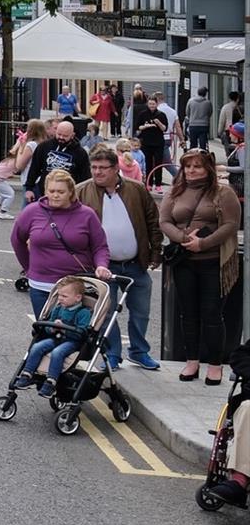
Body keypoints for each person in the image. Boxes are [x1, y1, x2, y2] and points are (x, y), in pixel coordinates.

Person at [76, 145, 162, 372]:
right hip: (102, 266)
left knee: (141, 311)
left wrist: (155, 252)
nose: (97, 172)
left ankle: (139, 352)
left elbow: (153, 220)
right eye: (94, 167)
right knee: (106, 312)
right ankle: (112, 354)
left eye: (103, 168)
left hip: (135, 264)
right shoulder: (82, 191)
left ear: (116, 169)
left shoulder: (136, 190)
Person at [159, 150, 240, 386]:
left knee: (212, 315)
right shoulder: (175, 191)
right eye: (188, 167)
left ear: (209, 169)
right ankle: (191, 361)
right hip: (184, 261)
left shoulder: (224, 193)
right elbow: (164, 221)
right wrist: (184, 240)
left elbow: (231, 225)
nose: (192, 171)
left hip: (214, 262)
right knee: (188, 315)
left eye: (198, 166)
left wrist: (203, 243)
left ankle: (215, 365)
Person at [11, 170, 112, 319]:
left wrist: (102, 265)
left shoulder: (87, 215)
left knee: (75, 333)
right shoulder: (32, 211)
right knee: (46, 330)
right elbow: (17, 240)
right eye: (51, 191)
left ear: (71, 192)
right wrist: (28, 267)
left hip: (76, 285)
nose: (55, 195)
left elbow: (99, 246)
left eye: (61, 191)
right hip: (41, 284)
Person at [13, 277, 95, 396]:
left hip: (72, 341)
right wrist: (52, 328)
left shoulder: (84, 313)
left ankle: (51, 382)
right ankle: (27, 374)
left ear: (78, 297)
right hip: (56, 337)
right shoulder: (58, 308)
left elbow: (81, 333)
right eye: (60, 295)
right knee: (37, 347)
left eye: (64, 296)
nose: (60, 298)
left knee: (57, 352)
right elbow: (48, 327)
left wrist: (64, 329)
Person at [25, 118, 91, 202]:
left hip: (68, 197)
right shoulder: (44, 146)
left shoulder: (80, 153)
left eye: (65, 136)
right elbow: (34, 168)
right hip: (44, 193)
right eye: (59, 134)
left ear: (72, 135)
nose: (61, 137)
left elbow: (85, 177)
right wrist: (29, 188)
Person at [134, 101, 170, 187]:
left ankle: (158, 184)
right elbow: (138, 126)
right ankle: (149, 183)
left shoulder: (161, 114)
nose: (151, 106)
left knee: (158, 164)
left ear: (156, 104)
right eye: (150, 104)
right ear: (147, 104)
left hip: (158, 142)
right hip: (146, 142)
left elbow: (164, 129)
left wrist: (158, 123)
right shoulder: (143, 114)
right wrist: (145, 126)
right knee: (148, 163)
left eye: (153, 104)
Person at [186, 87, 213, 154]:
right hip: (204, 125)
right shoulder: (208, 102)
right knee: (203, 144)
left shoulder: (190, 101)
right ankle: (202, 157)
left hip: (193, 125)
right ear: (205, 93)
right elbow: (209, 113)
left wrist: (192, 118)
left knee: (193, 143)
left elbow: (187, 112)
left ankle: (192, 156)